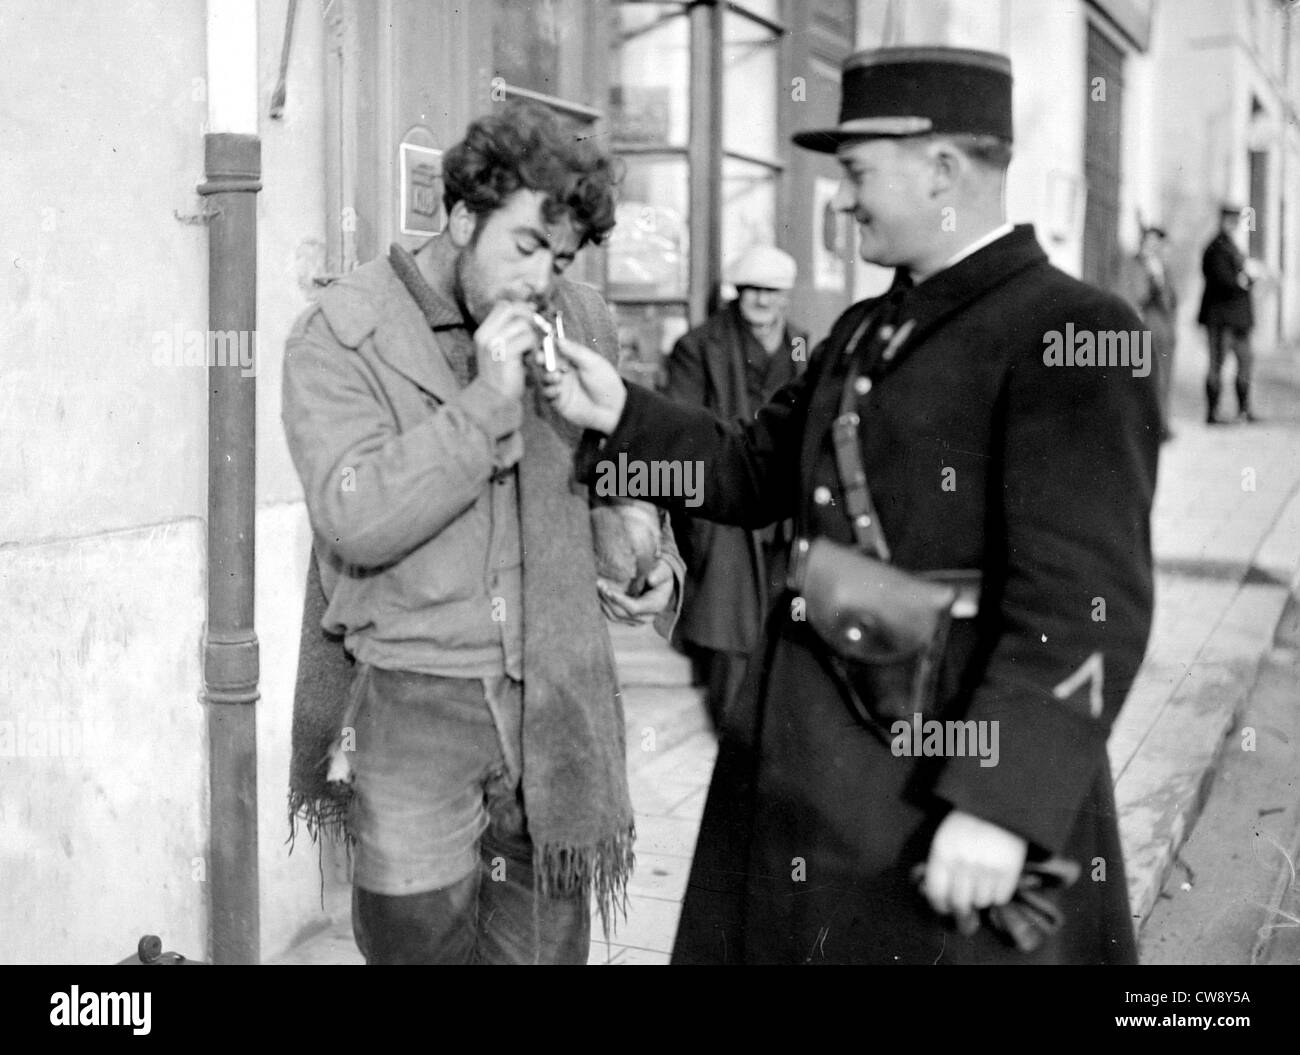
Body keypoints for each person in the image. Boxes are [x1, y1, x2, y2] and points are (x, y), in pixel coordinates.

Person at [541, 47, 1160, 964]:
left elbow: (1088, 603)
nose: (841, 200)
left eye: (858, 174)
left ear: (943, 169)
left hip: (939, 775)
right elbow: (752, 474)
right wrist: (622, 416)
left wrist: (999, 804)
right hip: (809, 768)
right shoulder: (866, 329)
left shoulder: (1075, 332)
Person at [281, 101, 681, 965]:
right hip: (414, 705)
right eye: (525, 246)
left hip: (556, 704)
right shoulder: (341, 330)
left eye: (562, 256)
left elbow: (620, 475)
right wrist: (488, 405)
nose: (542, 279)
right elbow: (355, 514)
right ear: (460, 218)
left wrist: (653, 554)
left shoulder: (583, 319)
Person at [661, 246, 808, 728]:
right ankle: (734, 731)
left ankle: (772, 725)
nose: (762, 301)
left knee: (784, 614)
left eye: (772, 292)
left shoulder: (801, 346)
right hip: (726, 496)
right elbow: (682, 427)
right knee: (729, 619)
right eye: (753, 291)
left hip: (785, 505)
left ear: (786, 297)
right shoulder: (700, 346)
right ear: (738, 293)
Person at [1197, 204, 1259, 424]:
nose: (1233, 225)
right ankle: (1212, 413)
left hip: (1239, 320)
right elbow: (1223, 280)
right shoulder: (1216, 248)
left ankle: (1243, 409)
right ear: (1223, 221)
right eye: (1230, 220)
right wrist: (1245, 279)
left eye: (1236, 221)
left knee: (1245, 362)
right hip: (1221, 319)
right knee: (1217, 366)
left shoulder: (1232, 246)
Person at [1122, 225, 1178, 441]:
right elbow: (1134, 296)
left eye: (1157, 242)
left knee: (1164, 379)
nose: (1152, 246)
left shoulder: (1163, 267)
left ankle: (1162, 424)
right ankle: (1143, 426)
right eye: (1149, 241)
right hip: (1142, 330)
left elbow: (1171, 302)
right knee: (1143, 378)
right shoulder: (1133, 265)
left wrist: (1160, 280)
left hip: (1163, 332)